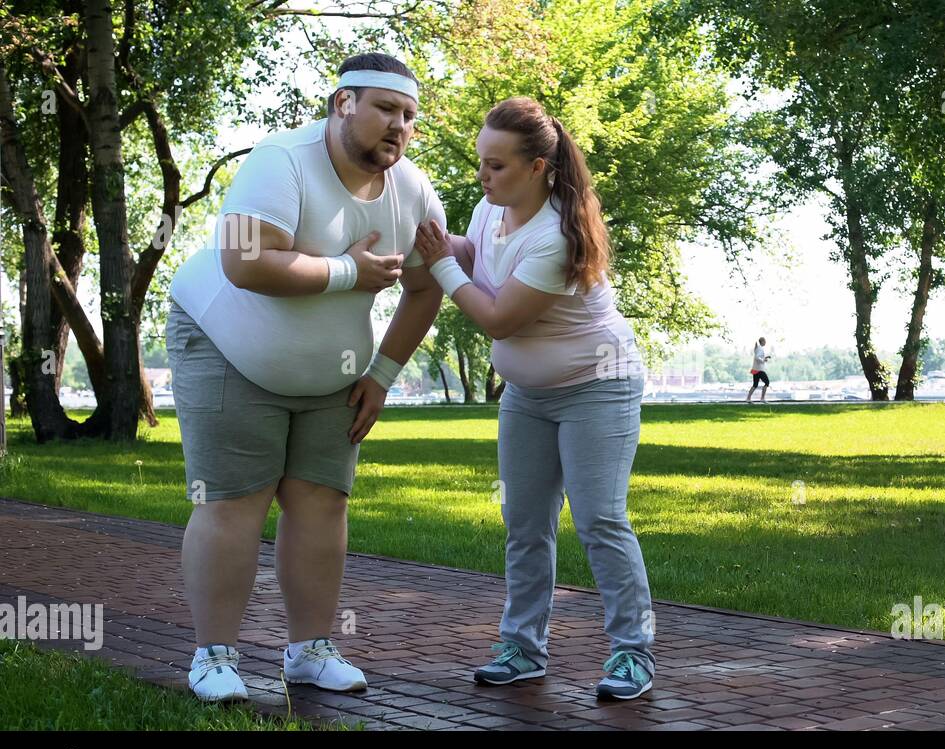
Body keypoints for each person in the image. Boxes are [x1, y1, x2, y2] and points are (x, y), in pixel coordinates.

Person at [166, 53, 448, 701]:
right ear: (342, 103)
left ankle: (310, 650)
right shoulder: (279, 159)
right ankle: (214, 658)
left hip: (333, 368)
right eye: (385, 108)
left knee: (322, 500)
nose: (398, 126)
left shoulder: (413, 191)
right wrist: (348, 272)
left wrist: (380, 374)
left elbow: (425, 287)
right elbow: (243, 261)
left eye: (408, 115)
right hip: (225, 339)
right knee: (235, 498)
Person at [414, 96, 656, 700]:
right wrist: (442, 246)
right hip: (527, 393)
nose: (482, 176)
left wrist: (442, 266)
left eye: (496, 166)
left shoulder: (555, 237)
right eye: (481, 163)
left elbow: (497, 317)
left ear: (538, 167)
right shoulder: (490, 210)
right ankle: (522, 648)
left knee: (600, 518)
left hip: (598, 388)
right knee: (524, 523)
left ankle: (633, 654)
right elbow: (477, 257)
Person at [747, 336, 772, 403]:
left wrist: (765, 357)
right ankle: (762, 398)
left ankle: (748, 398)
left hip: (755, 369)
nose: (765, 343)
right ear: (762, 341)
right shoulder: (760, 348)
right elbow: (757, 358)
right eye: (765, 341)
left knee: (755, 385)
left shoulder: (758, 348)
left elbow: (758, 357)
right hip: (759, 370)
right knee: (767, 382)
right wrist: (764, 360)